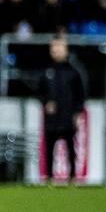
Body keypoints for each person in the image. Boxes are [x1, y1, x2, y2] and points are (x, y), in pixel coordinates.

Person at [40, 37, 86, 184]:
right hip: (52, 118)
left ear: (66, 50)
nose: (56, 51)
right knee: (49, 147)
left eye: (59, 48)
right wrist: (46, 103)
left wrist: (78, 111)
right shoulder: (46, 71)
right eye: (54, 48)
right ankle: (48, 177)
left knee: (71, 147)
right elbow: (39, 92)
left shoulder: (73, 72)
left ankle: (72, 177)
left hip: (68, 116)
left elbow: (81, 94)